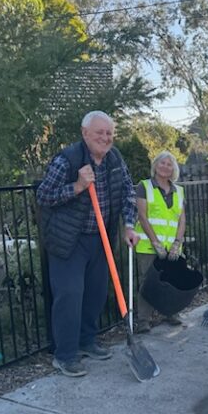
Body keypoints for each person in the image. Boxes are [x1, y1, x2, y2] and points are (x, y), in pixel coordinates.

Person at [37, 111, 138, 377]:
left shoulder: (115, 159)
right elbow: (44, 196)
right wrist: (78, 186)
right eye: (99, 133)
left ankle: (87, 341)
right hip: (68, 240)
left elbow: (128, 191)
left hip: (101, 238)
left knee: (95, 294)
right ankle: (65, 355)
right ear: (85, 133)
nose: (105, 138)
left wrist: (129, 225)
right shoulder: (67, 160)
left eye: (109, 133)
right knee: (70, 294)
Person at [134, 151, 186, 332]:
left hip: (172, 246)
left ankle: (171, 312)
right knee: (148, 281)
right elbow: (142, 216)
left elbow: (181, 219)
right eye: (162, 163)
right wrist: (156, 243)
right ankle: (143, 320)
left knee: (171, 280)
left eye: (169, 164)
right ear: (155, 165)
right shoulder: (144, 187)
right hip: (148, 245)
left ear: (174, 169)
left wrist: (177, 243)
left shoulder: (179, 190)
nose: (165, 167)